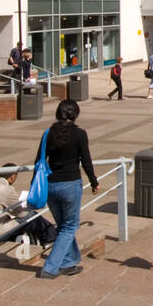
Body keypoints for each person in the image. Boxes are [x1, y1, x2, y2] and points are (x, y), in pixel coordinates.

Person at [35, 99, 99, 279]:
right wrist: (94, 181)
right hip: (70, 184)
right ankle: (50, 268)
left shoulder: (48, 133)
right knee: (70, 226)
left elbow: (38, 161)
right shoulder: (79, 134)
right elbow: (86, 161)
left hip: (50, 185)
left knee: (64, 226)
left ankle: (69, 262)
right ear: (74, 114)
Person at [0, 163, 57, 245]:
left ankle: (48, 233)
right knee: (30, 215)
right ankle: (51, 236)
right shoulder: (7, 189)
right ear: (12, 177)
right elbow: (21, 214)